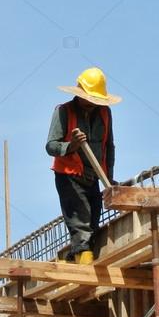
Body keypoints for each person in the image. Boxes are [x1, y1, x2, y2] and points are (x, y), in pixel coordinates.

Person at [46, 67, 119, 264]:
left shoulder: (104, 113)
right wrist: (72, 146)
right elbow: (51, 146)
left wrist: (108, 177)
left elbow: (108, 147)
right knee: (81, 225)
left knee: (93, 224)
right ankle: (84, 266)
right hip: (69, 176)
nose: (92, 104)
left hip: (93, 177)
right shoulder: (64, 111)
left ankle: (74, 258)